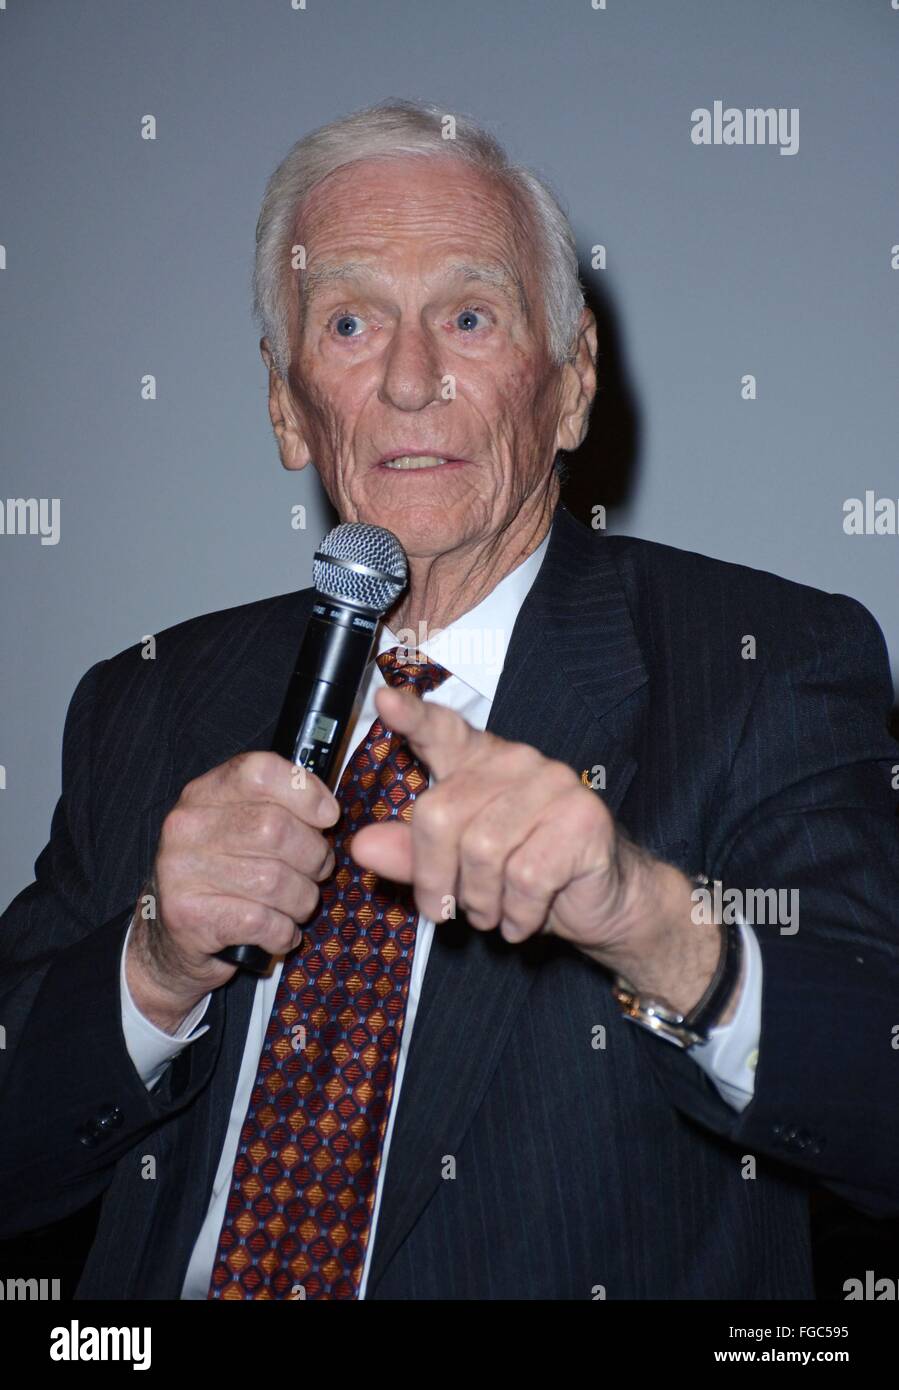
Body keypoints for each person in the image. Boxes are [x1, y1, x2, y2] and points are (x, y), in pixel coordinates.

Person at [2, 99, 897, 1300]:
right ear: (285, 405)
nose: (412, 380)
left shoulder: (763, 663)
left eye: (467, 317)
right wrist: (151, 967)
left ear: (570, 385)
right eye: (352, 321)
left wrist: (649, 921)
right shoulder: (143, 701)